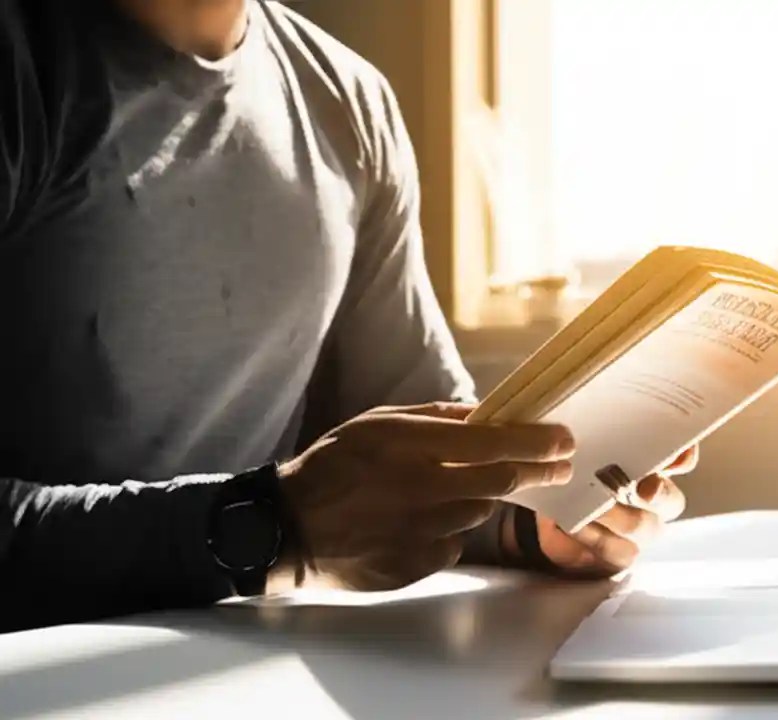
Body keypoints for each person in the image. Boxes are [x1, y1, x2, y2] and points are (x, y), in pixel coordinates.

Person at [0, 0, 694, 633]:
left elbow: (425, 446)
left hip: (234, 663)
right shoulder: (26, 68)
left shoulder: (347, 99)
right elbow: (307, 517)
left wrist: (533, 522)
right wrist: (276, 527)